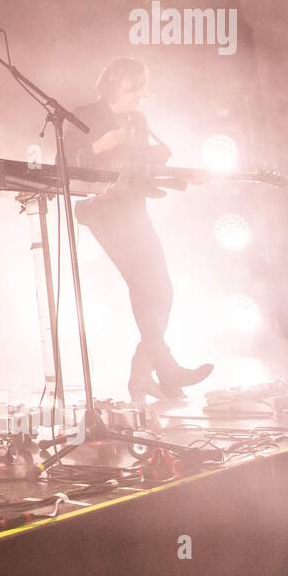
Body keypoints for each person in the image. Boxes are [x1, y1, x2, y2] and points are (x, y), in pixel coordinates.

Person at [71, 57, 213, 402]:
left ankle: (143, 373)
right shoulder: (85, 114)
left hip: (134, 208)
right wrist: (97, 147)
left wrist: (182, 175)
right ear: (113, 84)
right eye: (133, 86)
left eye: (142, 87)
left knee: (162, 289)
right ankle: (163, 369)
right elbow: (65, 161)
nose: (140, 93)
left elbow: (143, 168)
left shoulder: (138, 120)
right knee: (143, 286)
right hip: (104, 210)